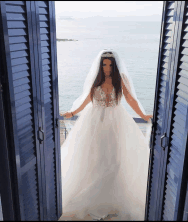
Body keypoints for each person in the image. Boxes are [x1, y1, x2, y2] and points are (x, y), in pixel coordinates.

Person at [60, 49, 153, 220]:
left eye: (110, 64)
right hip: (94, 121)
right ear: (100, 64)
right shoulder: (97, 78)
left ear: (115, 65)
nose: (107, 67)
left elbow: (131, 99)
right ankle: (94, 199)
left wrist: (143, 115)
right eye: (104, 64)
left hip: (116, 120)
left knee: (115, 159)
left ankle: (113, 200)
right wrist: (72, 113)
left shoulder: (121, 79)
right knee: (94, 158)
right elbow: (88, 99)